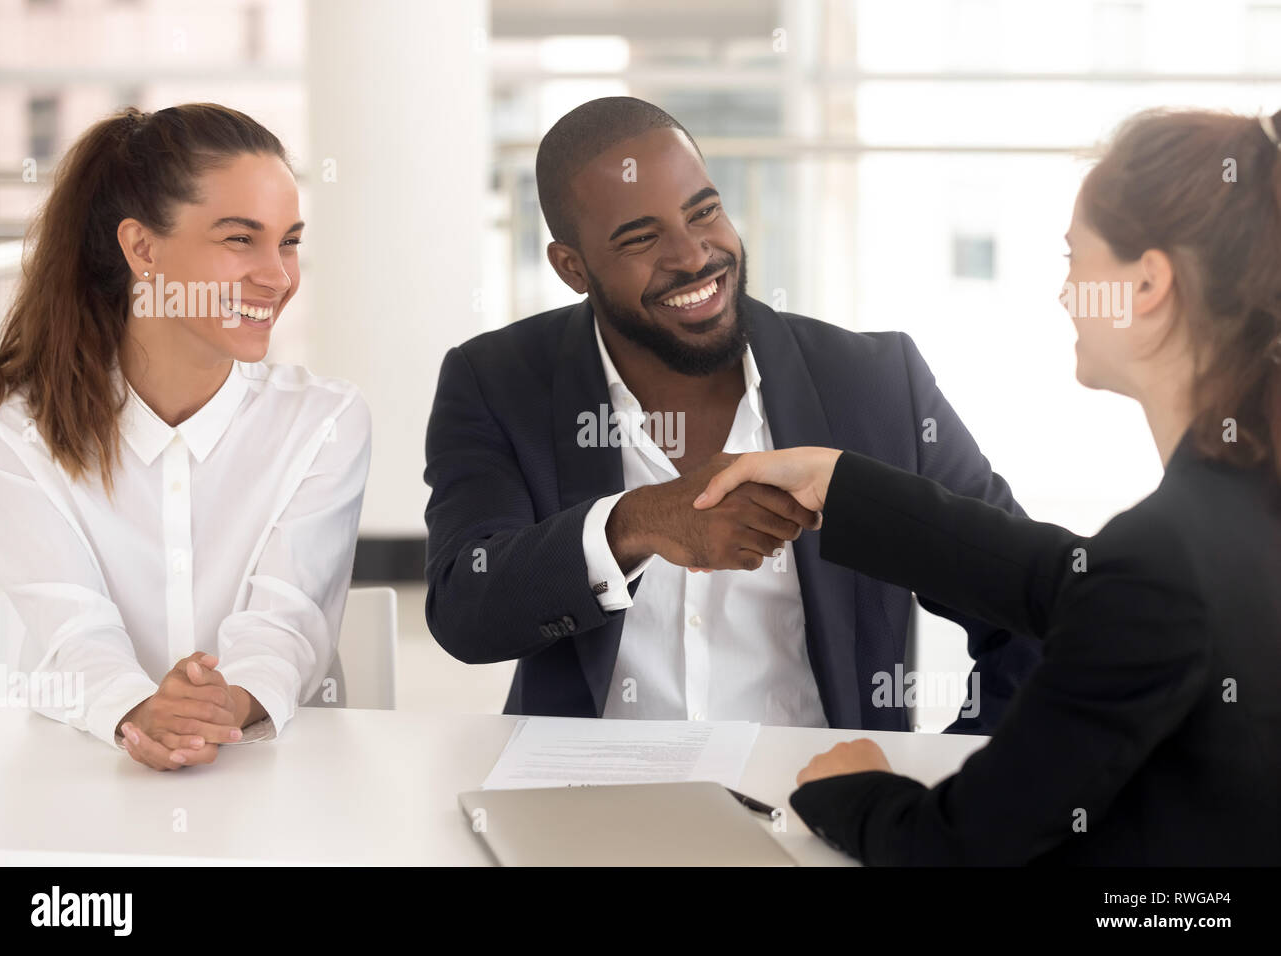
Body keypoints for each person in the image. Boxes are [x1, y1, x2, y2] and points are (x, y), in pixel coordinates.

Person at [692, 107, 1281, 865]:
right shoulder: (1234, 504)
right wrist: (846, 488)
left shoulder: (1166, 564)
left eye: (1075, 257)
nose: (1065, 291)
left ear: (1147, 283)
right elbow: (1078, 585)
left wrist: (855, 784)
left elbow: (957, 850)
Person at [424, 96, 1038, 734]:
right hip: (585, 805)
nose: (693, 257)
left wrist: (943, 790)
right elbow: (466, 609)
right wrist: (635, 524)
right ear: (572, 267)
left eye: (704, 212)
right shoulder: (496, 381)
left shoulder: (875, 383)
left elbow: (1029, 606)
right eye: (640, 237)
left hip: (817, 808)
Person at [0, 104, 371, 771]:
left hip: (276, 782)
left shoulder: (324, 423)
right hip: (77, 777)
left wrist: (223, 706)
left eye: (289, 241)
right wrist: (141, 711)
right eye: (240, 239)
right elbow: (71, 626)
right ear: (142, 249)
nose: (277, 275)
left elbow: (288, 619)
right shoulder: (16, 432)